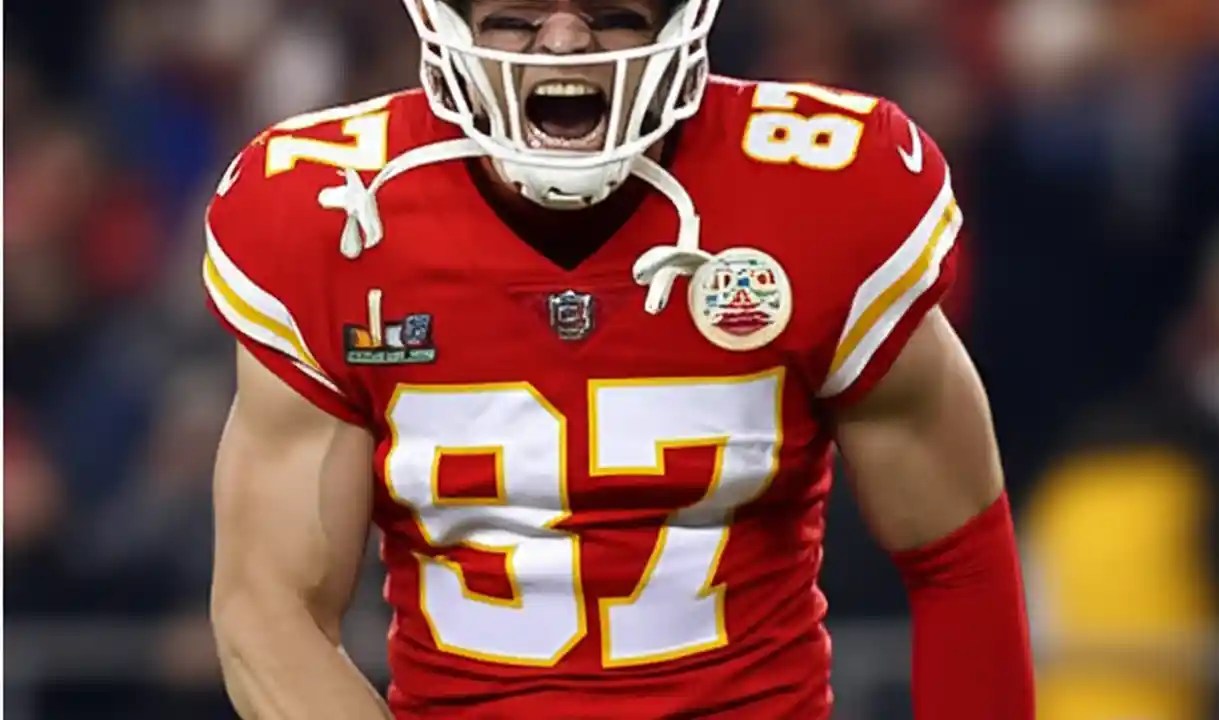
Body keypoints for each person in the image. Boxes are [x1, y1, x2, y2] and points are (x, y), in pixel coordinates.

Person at [204, 1, 1034, 717]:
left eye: (610, 13)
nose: (563, 44)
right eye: (517, 18)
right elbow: (267, 613)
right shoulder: (331, 217)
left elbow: (958, 555)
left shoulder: (824, 190)